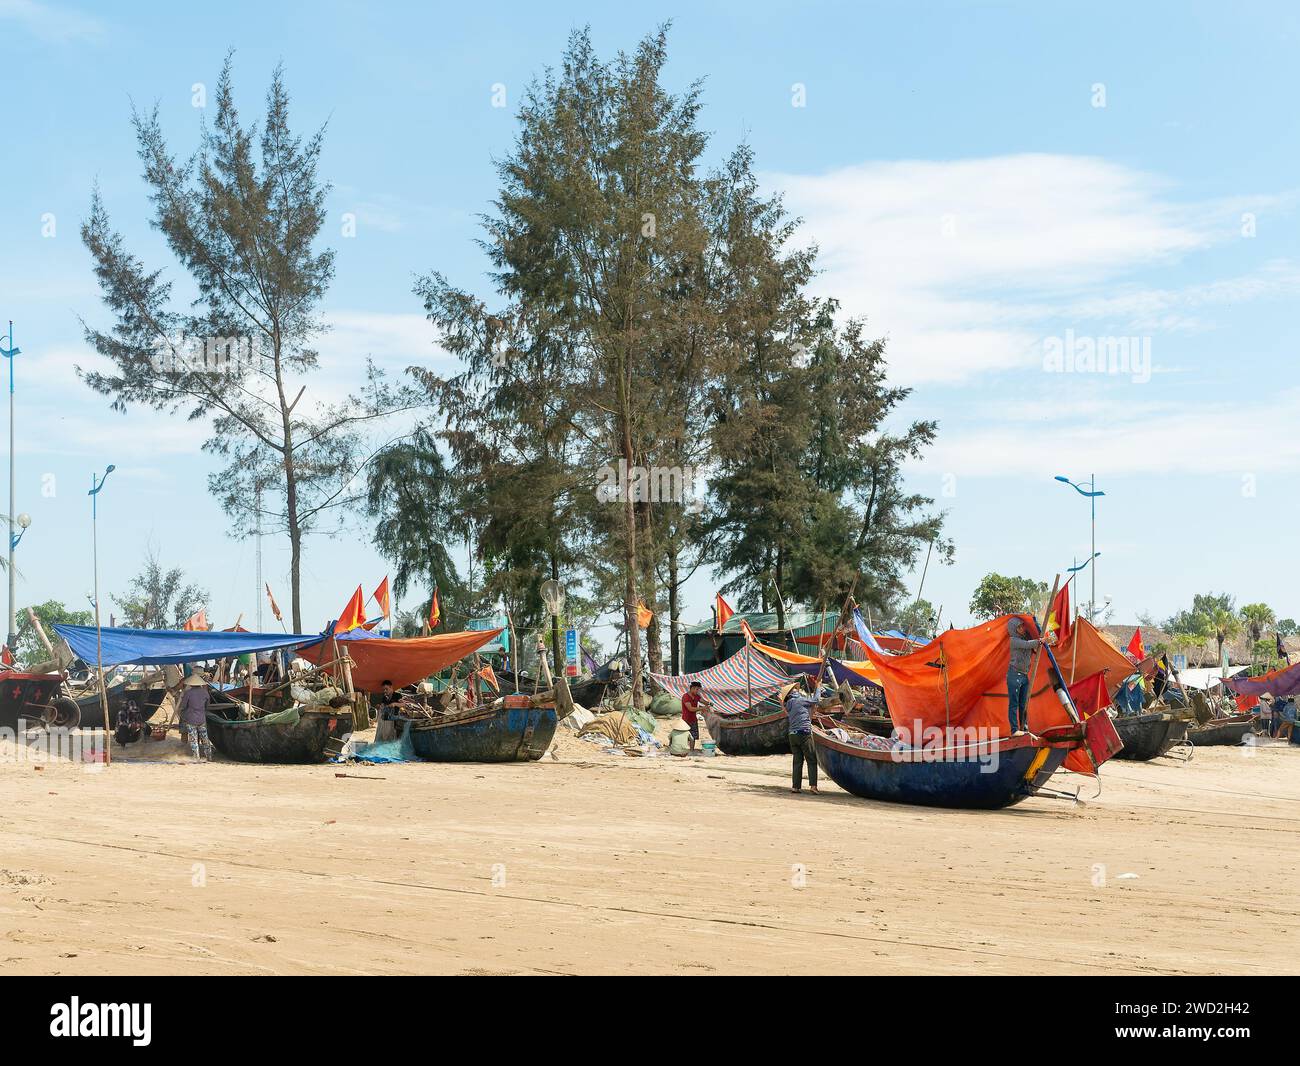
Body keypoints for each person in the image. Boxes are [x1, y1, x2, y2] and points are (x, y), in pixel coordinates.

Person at [1006, 616, 1052, 736]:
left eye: (1022, 626)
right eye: (1019, 627)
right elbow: (1027, 645)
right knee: (1014, 703)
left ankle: (1024, 728)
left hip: (1024, 675)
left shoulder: (1025, 638)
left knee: (1023, 703)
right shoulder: (1014, 640)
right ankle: (1014, 730)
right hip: (1014, 674)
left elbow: (1033, 648)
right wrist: (1040, 641)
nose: (1022, 628)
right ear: (1014, 629)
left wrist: (1040, 642)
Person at [782, 677, 819, 794]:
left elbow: (785, 710)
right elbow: (816, 699)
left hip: (792, 735)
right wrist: (818, 687)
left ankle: (795, 787)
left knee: (797, 761)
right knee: (811, 760)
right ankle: (813, 786)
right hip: (804, 732)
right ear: (795, 693)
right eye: (796, 690)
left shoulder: (788, 704)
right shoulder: (801, 700)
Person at [178, 671, 214, 761]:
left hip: (190, 719)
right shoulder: (205, 693)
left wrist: (183, 713)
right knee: (205, 738)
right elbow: (207, 706)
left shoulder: (188, 693)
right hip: (201, 719)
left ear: (191, 684)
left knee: (193, 739)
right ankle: (209, 756)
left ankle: (196, 757)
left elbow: (183, 706)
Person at [680, 680, 712, 753]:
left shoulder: (696, 696)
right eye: (697, 689)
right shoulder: (685, 696)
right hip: (686, 720)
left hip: (693, 719)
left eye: (698, 689)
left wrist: (709, 703)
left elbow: (703, 701)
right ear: (692, 688)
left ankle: (691, 750)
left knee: (693, 736)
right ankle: (684, 750)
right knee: (685, 736)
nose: (698, 691)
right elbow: (690, 709)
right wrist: (702, 708)